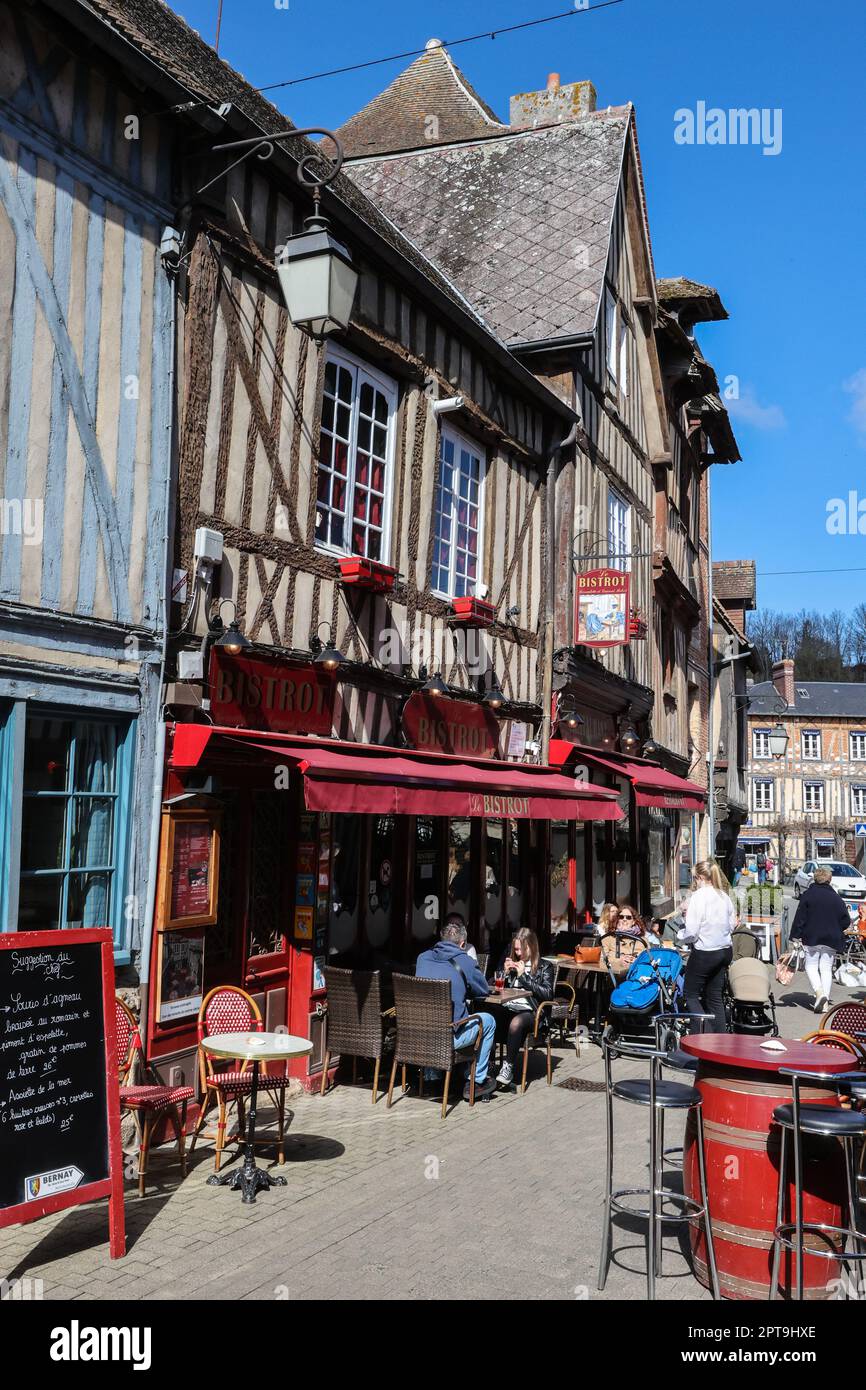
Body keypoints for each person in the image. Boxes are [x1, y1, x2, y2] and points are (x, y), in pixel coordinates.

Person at [416, 921, 496, 1099]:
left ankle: (432, 1078)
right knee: (489, 1020)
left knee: (432, 1015)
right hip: (449, 1038)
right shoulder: (465, 961)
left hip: (418, 1035)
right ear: (462, 944)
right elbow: (482, 990)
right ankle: (476, 1081)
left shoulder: (422, 958)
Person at [677, 859, 736, 1032]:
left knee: (691, 994)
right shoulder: (723, 896)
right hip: (725, 950)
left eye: (695, 878)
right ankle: (720, 1040)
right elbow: (731, 925)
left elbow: (692, 931)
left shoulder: (698, 897)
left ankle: (702, 1035)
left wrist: (680, 935)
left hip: (706, 952)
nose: (694, 882)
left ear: (701, 877)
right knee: (714, 996)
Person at [494, 928, 554, 1089]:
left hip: (532, 1011)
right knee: (488, 1016)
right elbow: (494, 987)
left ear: (531, 947)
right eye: (515, 949)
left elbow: (548, 994)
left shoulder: (544, 967)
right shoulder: (512, 962)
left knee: (516, 1023)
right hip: (510, 1005)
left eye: (520, 949)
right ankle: (485, 1065)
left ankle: (508, 1067)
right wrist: (504, 974)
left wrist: (524, 977)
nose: (517, 953)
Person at [789, 864, 850, 1013]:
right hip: (831, 938)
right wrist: (837, 928)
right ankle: (825, 1002)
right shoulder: (836, 897)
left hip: (812, 936)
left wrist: (795, 935)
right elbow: (845, 920)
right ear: (829, 879)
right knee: (826, 968)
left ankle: (819, 993)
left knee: (811, 966)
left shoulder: (808, 895)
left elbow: (800, 918)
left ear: (815, 879)